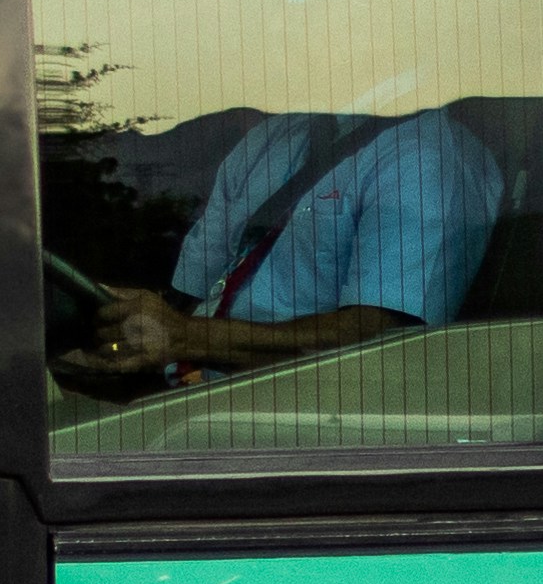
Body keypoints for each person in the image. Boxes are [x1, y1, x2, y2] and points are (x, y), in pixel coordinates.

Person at [61, 96, 506, 397]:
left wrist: (182, 337)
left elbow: (382, 344)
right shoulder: (272, 141)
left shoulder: (427, 161)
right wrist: (125, 337)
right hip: (189, 395)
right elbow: (192, 300)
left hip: (303, 424)